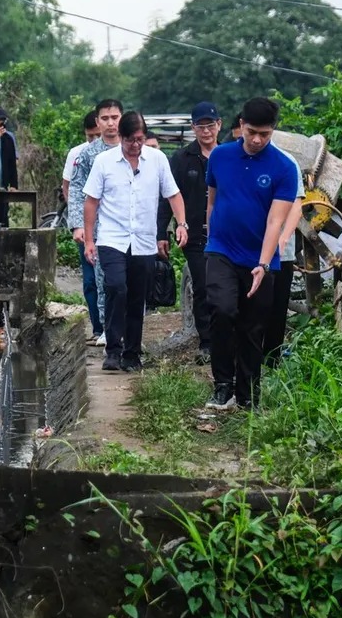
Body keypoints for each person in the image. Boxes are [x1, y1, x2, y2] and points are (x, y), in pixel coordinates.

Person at [203, 97, 298, 411]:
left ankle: (247, 395)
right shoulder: (220, 156)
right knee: (222, 310)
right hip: (221, 250)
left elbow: (275, 221)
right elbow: (213, 200)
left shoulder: (284, 167)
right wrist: (212, 236)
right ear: (241, 125)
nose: (257, 139)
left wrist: (263, 264)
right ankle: (222, 385)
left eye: (265, 134)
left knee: (253, 327)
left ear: (273, 130)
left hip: (260, 258)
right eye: (252, 132)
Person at [84, 111, 189, 372]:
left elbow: (173, 194)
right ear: (121, 137)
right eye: (130, 140)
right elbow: (91, 201)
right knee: (116, 287)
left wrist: (181, 224)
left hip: (143, 239)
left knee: (137, 296)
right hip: (111, 237)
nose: (135, 145)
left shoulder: (157, 159)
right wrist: (88, 240)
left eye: (140, 139)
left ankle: (132, 353)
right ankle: (113, 350)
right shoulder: (104, 161)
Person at [159, 100, 222, 364]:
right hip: (193, 234)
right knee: (203, 284)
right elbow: (168, 197)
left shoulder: (228, 155)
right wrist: (162, 232)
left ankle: (225, 338)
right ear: (193, 128)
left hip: (225, 234)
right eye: (200, 126)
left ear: (219, 125)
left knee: (224, 287)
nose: (206, 131)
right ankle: (206, 342)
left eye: (210, 125)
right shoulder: (181, 159)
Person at [68, 99, 124, 347]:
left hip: (129, 227)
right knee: (103, 281)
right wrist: (78, 225)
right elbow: (76, 190)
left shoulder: (133, 148)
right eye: (105, 118)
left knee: (131, 282)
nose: (111, 123)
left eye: (115, 117)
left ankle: (130, 331)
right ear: (97, 122)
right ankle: (105, 328)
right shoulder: (88, 154)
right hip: (100, 228)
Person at [62, 110, 103, 342]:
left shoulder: (117, 151)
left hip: (110, 225)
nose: (94, 140)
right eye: (90, 136)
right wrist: (77, 222)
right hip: (87, 227)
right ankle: (97, 327)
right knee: (90, 280)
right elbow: (69, 188)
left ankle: (112, 329)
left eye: (97, 135)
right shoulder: (78, 154)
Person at [264, 157, 305, 368]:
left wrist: (284, 238)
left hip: (281, 253)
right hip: (247, 249)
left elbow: (297, 206)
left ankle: (271, 359)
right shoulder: (237, 158)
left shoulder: (287, 162)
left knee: (277, 308)